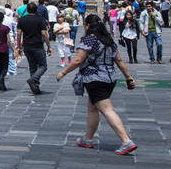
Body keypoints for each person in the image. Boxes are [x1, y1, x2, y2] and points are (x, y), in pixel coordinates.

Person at [57, 13, 137, 155]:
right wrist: (128, 77)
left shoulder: (88, 40)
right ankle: (87, 139)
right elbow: (119, 60)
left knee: (107, 110)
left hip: (94, 79)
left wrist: (63, 73)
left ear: (87, 26)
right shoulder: (108, 40)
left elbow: (78, 60)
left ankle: (126, 141)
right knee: (92, 108)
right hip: (110, 78)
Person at [16, 1, 51, 96]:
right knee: (43, 66)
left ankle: (35, 87)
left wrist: (18, 46)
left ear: (27, 10)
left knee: (32, 66)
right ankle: (33, 80)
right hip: (38, 45)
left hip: (27, 46)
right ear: (36, 10)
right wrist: (48, 46)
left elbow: (19, 33)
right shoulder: (40, 19)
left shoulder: (21, 20)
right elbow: (44, 33)